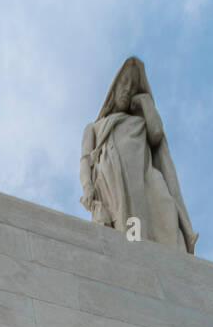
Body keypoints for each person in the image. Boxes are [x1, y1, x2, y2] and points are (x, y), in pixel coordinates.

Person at [80, 56, 198, 253]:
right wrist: (88, 187)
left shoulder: (141, 123)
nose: (127, 90)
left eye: (133, 86)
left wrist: (145, 102)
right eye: (124, 84)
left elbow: (157, 134)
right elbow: (85, 162)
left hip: (147, 180)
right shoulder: (94, 128)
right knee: (131, 238)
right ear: (114, 90)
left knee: (166, 214)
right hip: (117, 183)